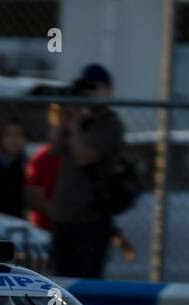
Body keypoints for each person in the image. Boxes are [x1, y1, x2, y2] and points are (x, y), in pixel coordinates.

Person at [50, 64, 124, 279]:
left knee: (87, 279)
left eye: (94, 87)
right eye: (85, 88)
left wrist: (74, 128)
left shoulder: (111, 125)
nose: (89, 93)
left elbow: (84, 157)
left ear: (108, 90)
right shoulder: (81, 121)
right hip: (65, 216)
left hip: (91, 219)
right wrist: (65, 121)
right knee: (62, 279)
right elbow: (54, 149)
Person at [24, 103, 63, 231]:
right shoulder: (43, 158)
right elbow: (33, 197)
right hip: (45, 229)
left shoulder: (79, 157)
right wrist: (63, 217)